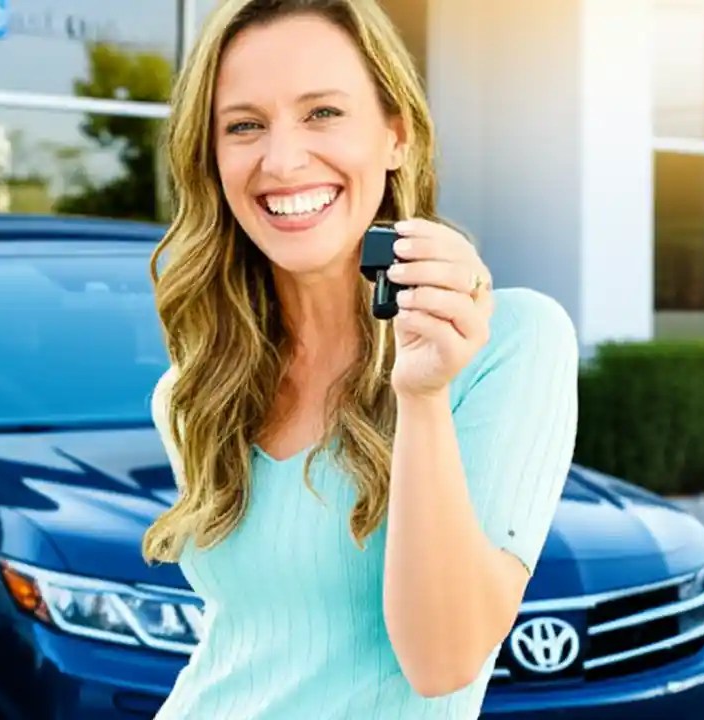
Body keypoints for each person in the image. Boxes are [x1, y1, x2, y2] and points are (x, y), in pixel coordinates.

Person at [141, 0, 579, 718]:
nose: (281, 160)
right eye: (244, 125)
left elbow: (443, 661)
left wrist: (423, 394)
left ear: (396, 135)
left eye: (322, 114)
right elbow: (246, 647)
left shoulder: (515, 342)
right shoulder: (196, 391)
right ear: (212, 159)